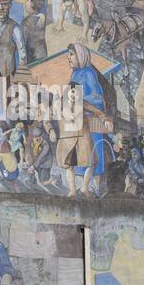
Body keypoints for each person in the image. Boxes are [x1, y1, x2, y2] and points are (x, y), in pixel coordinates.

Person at [55, 43, 105, 197]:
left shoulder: (89, 73)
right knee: (76, 159)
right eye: (68, 54)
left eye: (71, 54)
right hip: (76, 123)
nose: (68, 58)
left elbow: (98, 98)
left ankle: (93, 189)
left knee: (92, 159)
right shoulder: (75, 74)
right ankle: (78, 189)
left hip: (89, 123)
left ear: (80, 55)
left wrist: (79, 100)